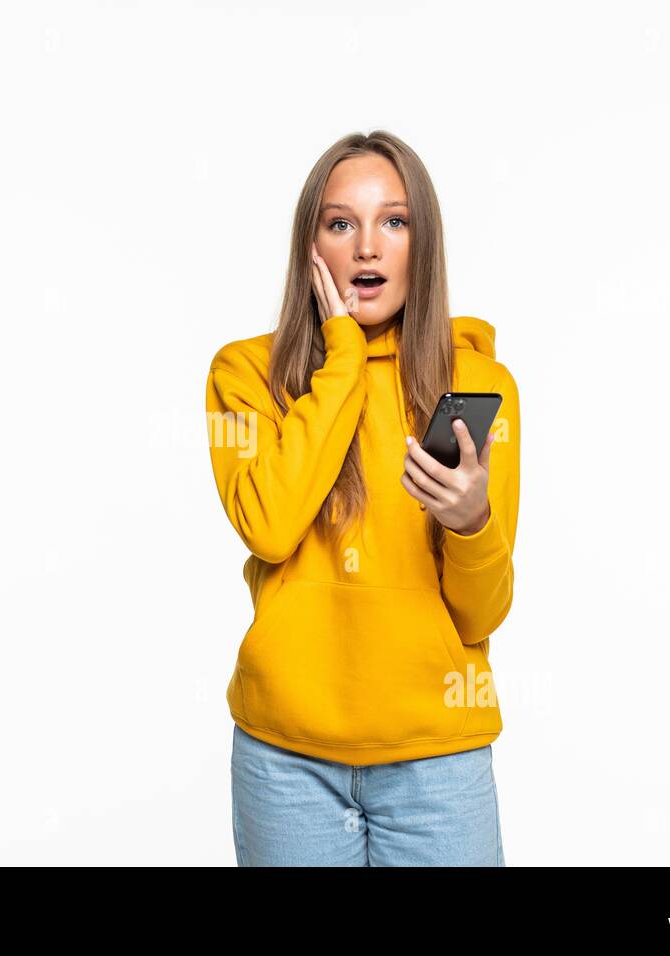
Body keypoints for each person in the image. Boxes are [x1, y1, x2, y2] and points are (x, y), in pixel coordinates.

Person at [204, 130, 520, 866]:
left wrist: (471, 523)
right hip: (287, 761)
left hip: (438, 760)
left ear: (424, 243)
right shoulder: (245, 375)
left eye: (395, 221)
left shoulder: (475, 386)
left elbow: (484, 612)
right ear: (310, 245)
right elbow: (271, 527)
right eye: (342, 223)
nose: (368, 248)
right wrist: (342, 353)